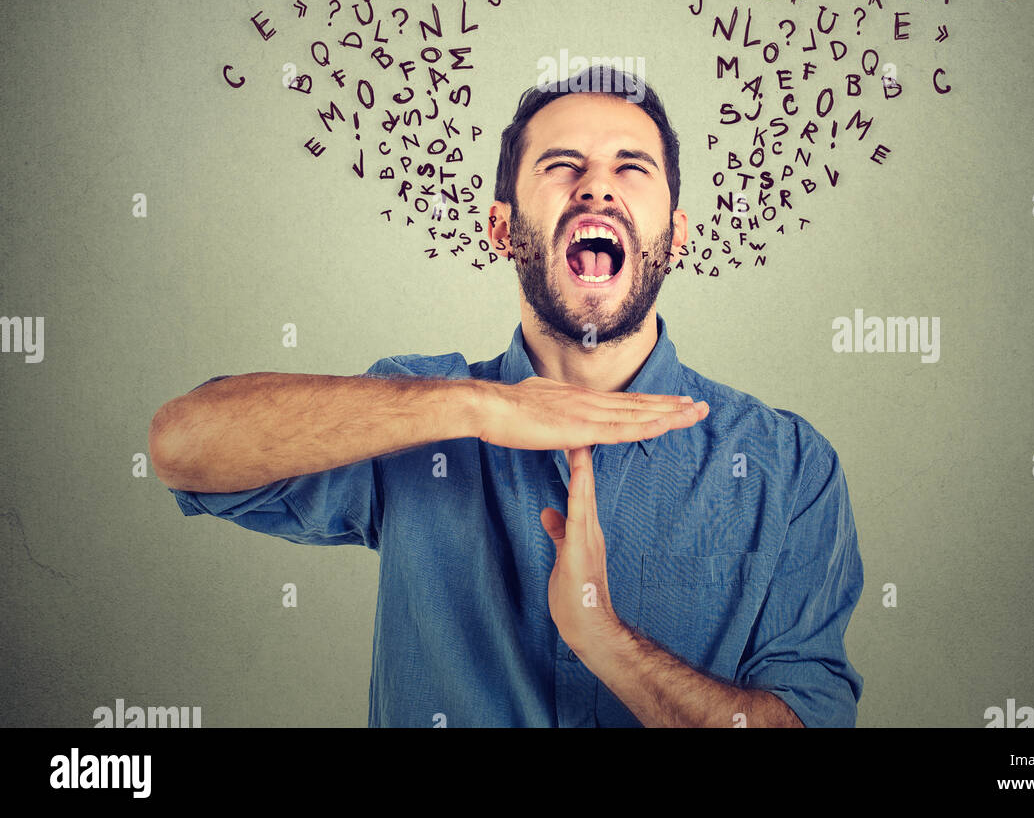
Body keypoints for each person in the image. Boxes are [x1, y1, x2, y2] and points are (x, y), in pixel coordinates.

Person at [150, 69, 863, 727]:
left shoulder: (788, 465)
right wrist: (477, 408)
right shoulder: (419, 413)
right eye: (562, 166)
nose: (596, 189)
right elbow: (181, 446)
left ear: (674, 237)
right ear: (501, 230)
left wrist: (602, 639)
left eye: (630, 168)